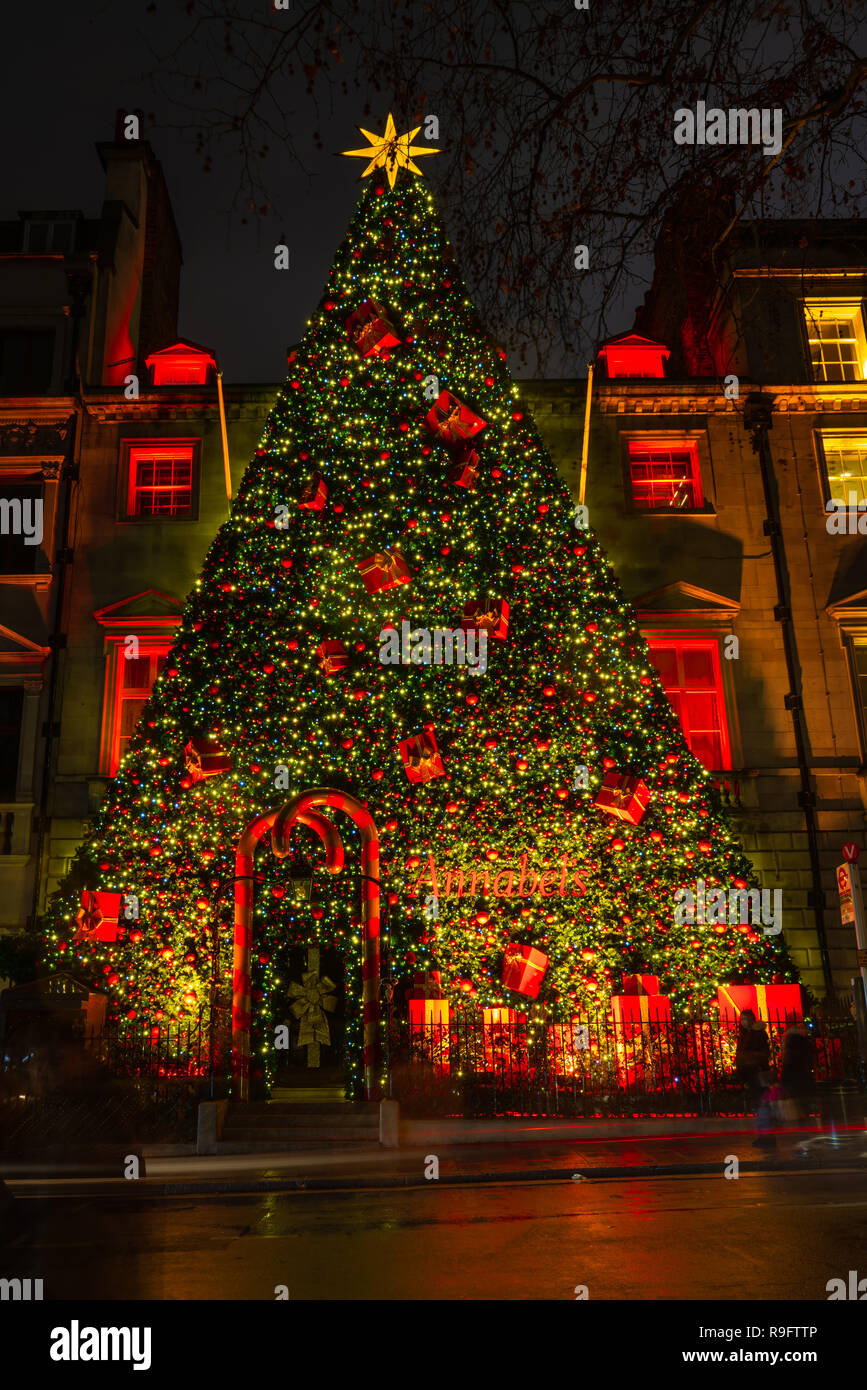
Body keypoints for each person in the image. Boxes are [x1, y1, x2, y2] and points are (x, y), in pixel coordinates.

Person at [734, 1008, 770, 1110]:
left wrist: (750, 1056)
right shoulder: (743, 1034)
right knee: (754, 1095)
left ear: (752, 1019)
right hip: (747, 1069)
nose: (743, 1022)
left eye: (746, 1019)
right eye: (742, 1019)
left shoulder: (758, 1033)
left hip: (757, 1069)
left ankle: (763, 1113)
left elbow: (765, 1051)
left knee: (760, 1095)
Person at [780, 1024, 815, 1122]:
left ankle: (802, 1123)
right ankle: (805, 1122)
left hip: (793, 1080)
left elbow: (787, 1068)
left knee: (796, 1104)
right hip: (804, 1079)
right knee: (804, 1104)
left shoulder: (790, 1053)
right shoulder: (804, 1049)